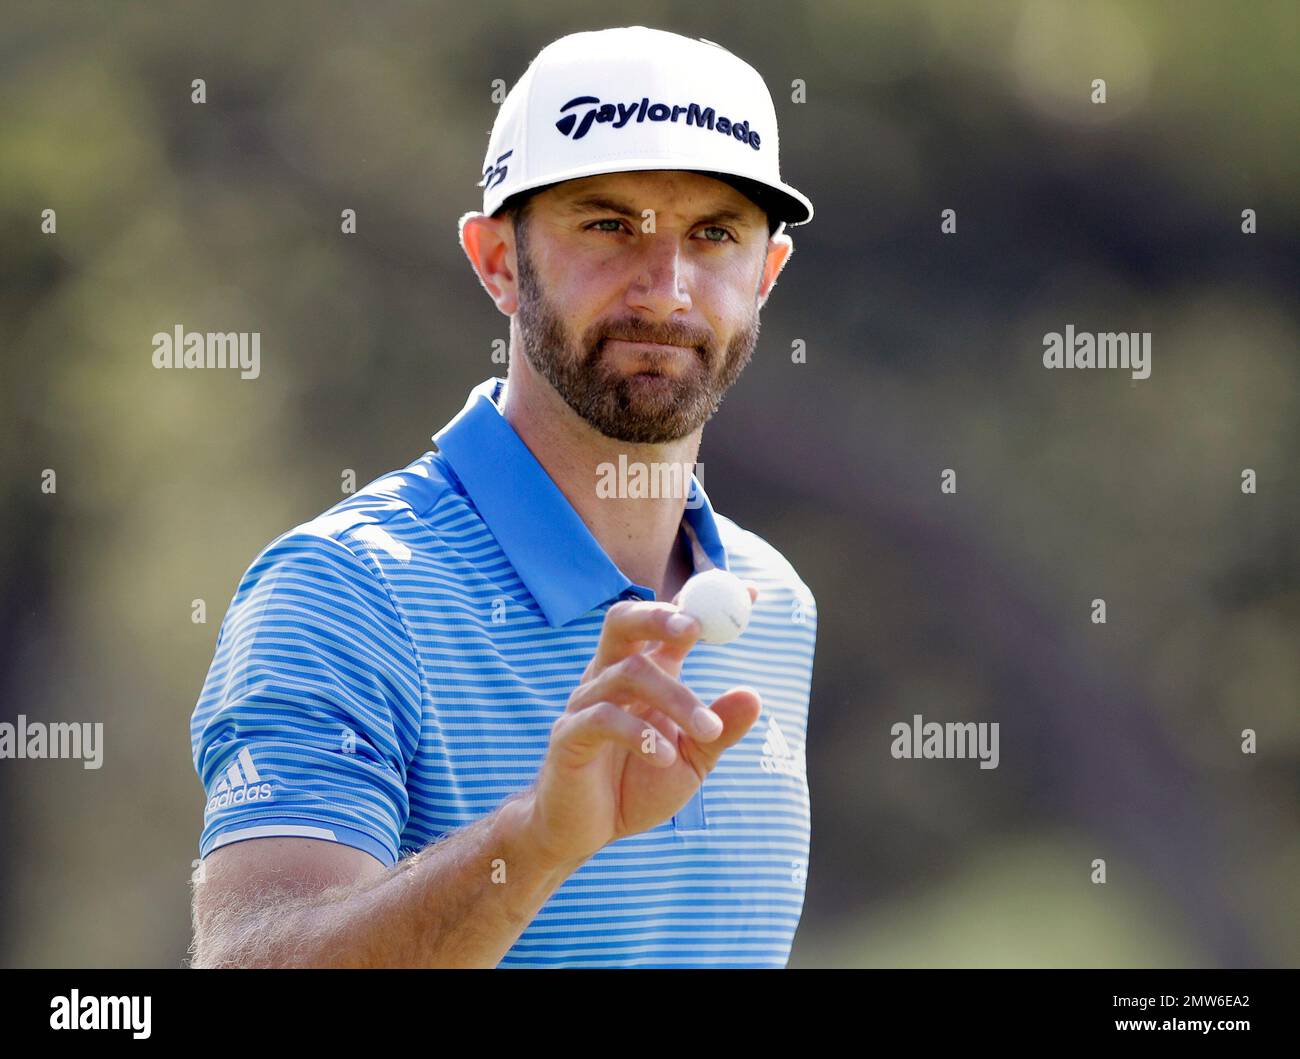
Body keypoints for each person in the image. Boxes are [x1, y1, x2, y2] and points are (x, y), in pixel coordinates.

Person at [190, 25, 817, 968]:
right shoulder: (340, 592)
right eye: (608, 224)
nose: (665, 288)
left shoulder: (776, 602)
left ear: (765, 274)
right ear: (495, 261)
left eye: (714, 233)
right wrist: (532, 841)